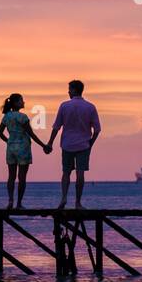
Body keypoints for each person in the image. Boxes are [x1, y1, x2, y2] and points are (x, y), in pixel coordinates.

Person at [44, 80, 101, 209]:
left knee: (66, 173)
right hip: (84, 145)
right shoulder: (90, 107)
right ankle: (78, 202)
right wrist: (91, 143)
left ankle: (63, 198)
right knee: (80, 174)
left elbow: (56, 127)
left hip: (67, 144)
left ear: (74, 90)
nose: (68, 91)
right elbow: (97, 129)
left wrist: (50, 142)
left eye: (69, 89)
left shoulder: (64, 106)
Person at [0, 93, 48, 210]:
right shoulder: (22, 117)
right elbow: (31, 134)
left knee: (11, 177)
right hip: (23, 148)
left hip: (11, 149)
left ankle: (10, 201)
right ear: (15, 103)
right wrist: (43, 145)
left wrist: (9, 141)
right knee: (22, 177)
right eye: (21, 101)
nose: (23, 102)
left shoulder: (6, 117)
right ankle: (19, 204)